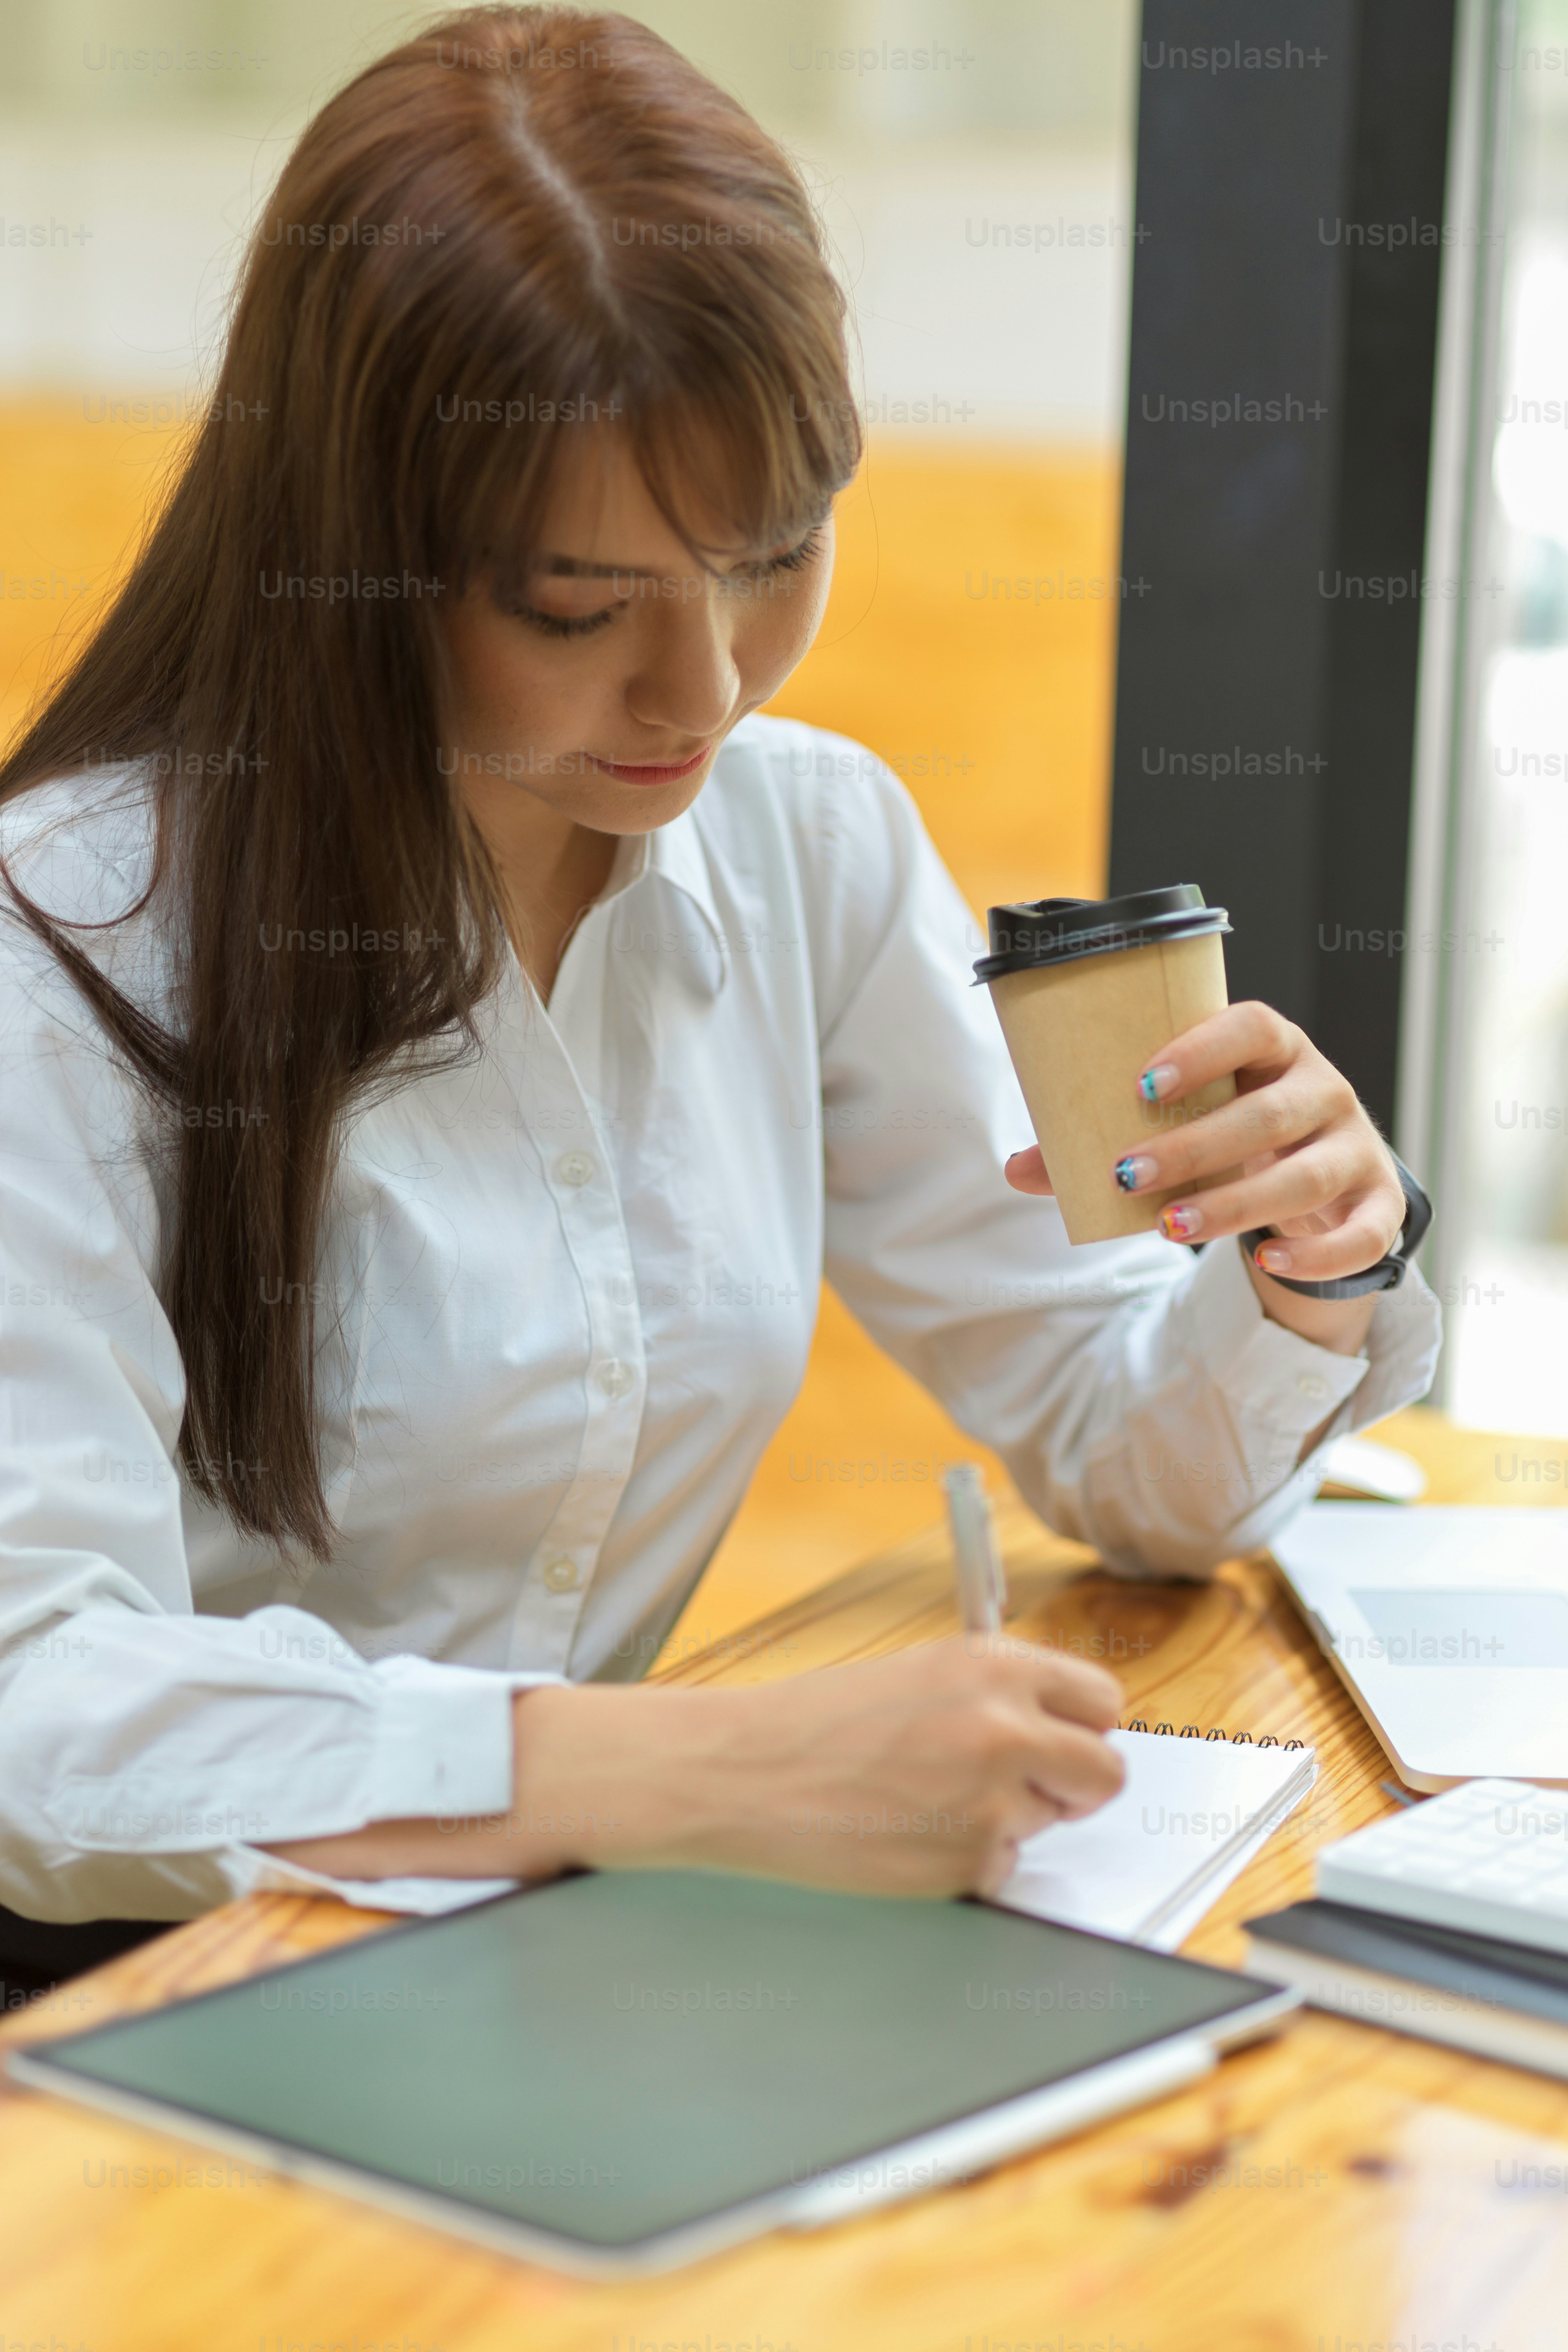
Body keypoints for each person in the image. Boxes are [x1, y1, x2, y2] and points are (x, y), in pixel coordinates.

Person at [0, 5, 1438, 1936]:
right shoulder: (64, 947)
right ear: (350, 551)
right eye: (578, 607)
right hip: (116, 2004)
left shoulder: (806, 845)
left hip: (557, 1946)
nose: (706, 694)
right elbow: (37, 1712)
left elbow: (1117, 1444)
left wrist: (1309, 1265)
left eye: (775, 556)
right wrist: (704, 1771)